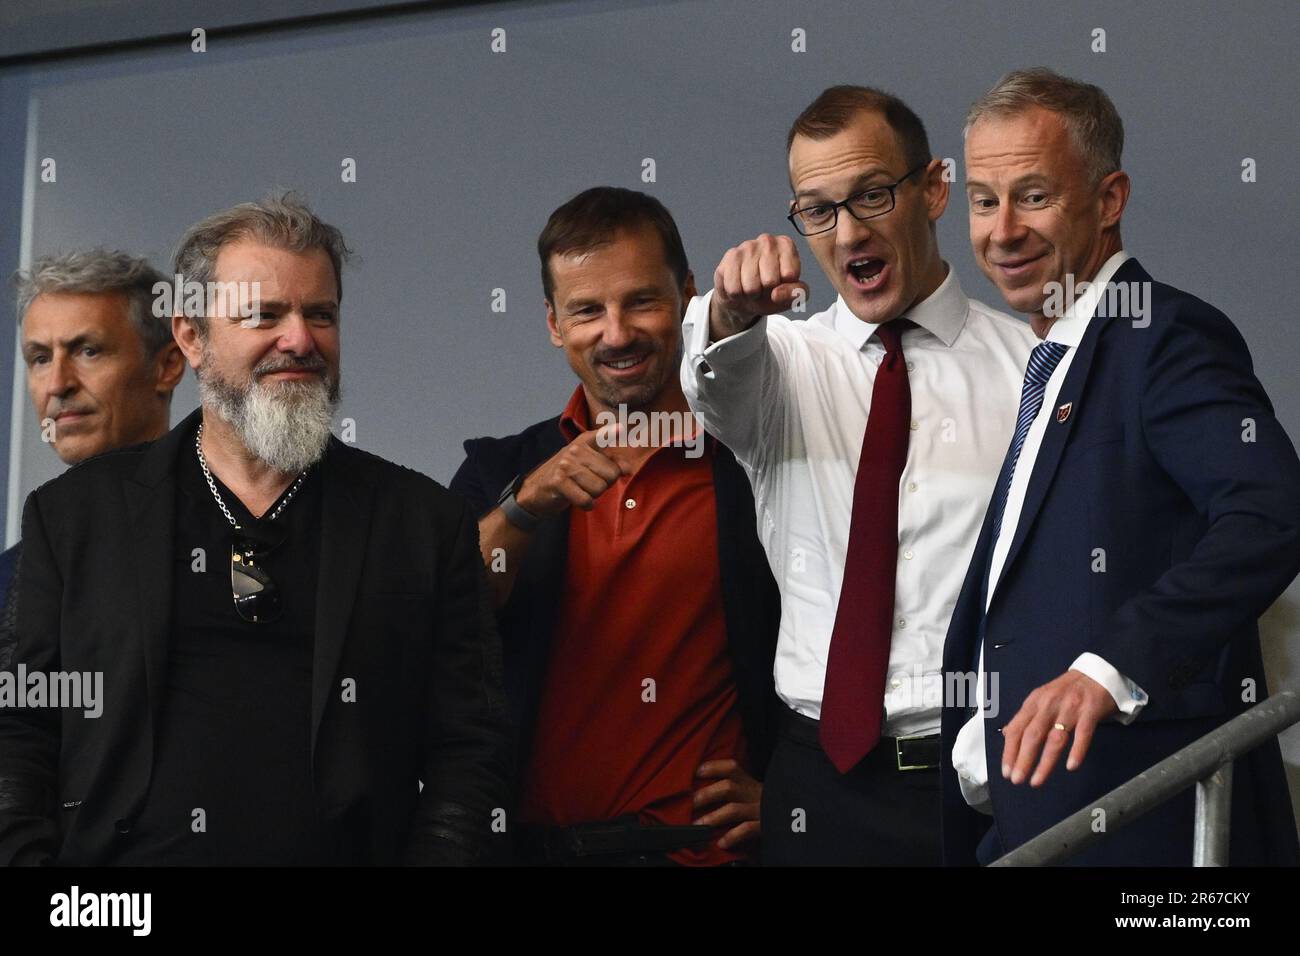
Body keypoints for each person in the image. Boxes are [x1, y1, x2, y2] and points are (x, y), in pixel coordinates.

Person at [0, 194, 511, 865]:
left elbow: (469, 751)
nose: (299, 339)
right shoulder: (71, 519)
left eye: (319, 314)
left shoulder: (421, 523)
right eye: (263, 315)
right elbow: (18, 730)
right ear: (191, 337)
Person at [943, 68, 1300, 866]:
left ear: (1109, 200)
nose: (1001, 231)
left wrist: (1112, 668)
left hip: (1144, 831)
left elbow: (1272, 510)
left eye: (1032, 196)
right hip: (1033, 823)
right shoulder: (1053, 363)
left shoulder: (1163, 337)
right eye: (982, 199)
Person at [680, 86, 1036, 864]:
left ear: (935, 188)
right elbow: (713, 378)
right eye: (817, 209)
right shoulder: (780, 364)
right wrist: (730, 315)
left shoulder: (1033, 372)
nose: (847, 232)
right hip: (820, 785)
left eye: (872, 195)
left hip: (982, 777)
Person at [451, 187, 780, 865]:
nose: (616, 333)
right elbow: (440, 622)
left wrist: (799, 797)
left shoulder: (754, 462)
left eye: (641, 301)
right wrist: (523, 506)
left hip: (708, 857)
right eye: (586, 311)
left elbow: (847, 636)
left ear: (688, 296)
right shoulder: (501, 472)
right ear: (552, 323)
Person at [0, 250, 185, 672]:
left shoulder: (234, 546)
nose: (58, 384)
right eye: (40, 358)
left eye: (88, 351)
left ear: (168, 365)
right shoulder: (11, 579)